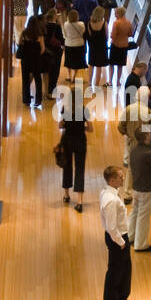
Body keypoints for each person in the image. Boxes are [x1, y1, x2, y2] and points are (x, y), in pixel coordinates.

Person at [99, 165, 136, 300]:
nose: (123, 178)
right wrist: (121, 242)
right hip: (117, 239)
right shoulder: (111, 201)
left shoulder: (110, 193)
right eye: (120, 176)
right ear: (112, 180)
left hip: (120, 236)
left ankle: (121, 299)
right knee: (115, 272)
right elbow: (111, 227)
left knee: (125, 270)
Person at [119, 80, 151, 206]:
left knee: (131, 168)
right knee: (145, 169)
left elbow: (120, 126)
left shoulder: (129, 109)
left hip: (131, 143)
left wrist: (128, 134)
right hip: (145, 146)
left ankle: (127, 194)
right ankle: (141, 194)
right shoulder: (149, 113)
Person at [58, 81, 92, 211]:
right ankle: (80, 201)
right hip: (80, 141)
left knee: (67, 167)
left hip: (67, 141)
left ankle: (66, 195)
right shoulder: (84, 110)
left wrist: (68, 125)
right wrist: (82, 127)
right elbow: (91, 128)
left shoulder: (65, 109)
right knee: (80, 169)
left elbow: (60, 125)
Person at [129, 135, 151, 253]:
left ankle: (130, 236)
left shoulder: (133, 151)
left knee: (135, 212)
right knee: (144, 216)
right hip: (147, 188)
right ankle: (140, 244)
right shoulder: (149, 153)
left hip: (136, 186)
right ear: (147, 138)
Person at [16, 16, 44, 107]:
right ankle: (38, 100)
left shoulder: (24, 33)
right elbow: (43, 49)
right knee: (38, 79)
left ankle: (26, 100)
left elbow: (20, 44)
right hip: (36, 59)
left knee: (25, 79)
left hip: (25, 59)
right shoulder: (39, 35)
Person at [41, 0, 64, 97]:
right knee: (55, 71)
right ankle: (51, 91)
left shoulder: (43, 26)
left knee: (46, 71)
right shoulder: (57, 27)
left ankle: (45, 90)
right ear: (55, 16)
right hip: (56, 51)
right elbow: (61, 40)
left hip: (45, 50)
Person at [86, 5, 110, 94]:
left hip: (92, 47)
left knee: (91, 65)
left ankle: (89, 83)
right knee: (99, 67)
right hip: (102, 47)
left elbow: (89, 35)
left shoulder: (89, 23)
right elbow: (107, 36)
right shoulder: (104, 23)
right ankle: (96, 85)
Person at [108, 6, 133, 92]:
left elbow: (113, 36)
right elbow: (130, 34)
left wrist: (112, 34)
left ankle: (110, 81)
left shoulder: (116, 23)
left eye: (115, 13)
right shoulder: (129, 23)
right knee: (120, 65)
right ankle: (118, 81)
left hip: (115, 45)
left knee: (111, 64)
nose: (115, 15)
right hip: (124, 46)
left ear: (118, 13)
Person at [62, 7, 87, 86]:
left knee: (68, 60)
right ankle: (74, 76)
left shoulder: (66, 24)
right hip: (79, 44)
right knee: (77, 61)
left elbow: (65, 34)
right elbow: (83, 33)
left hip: (69, 44)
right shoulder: (81, 24)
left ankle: (69, 75)